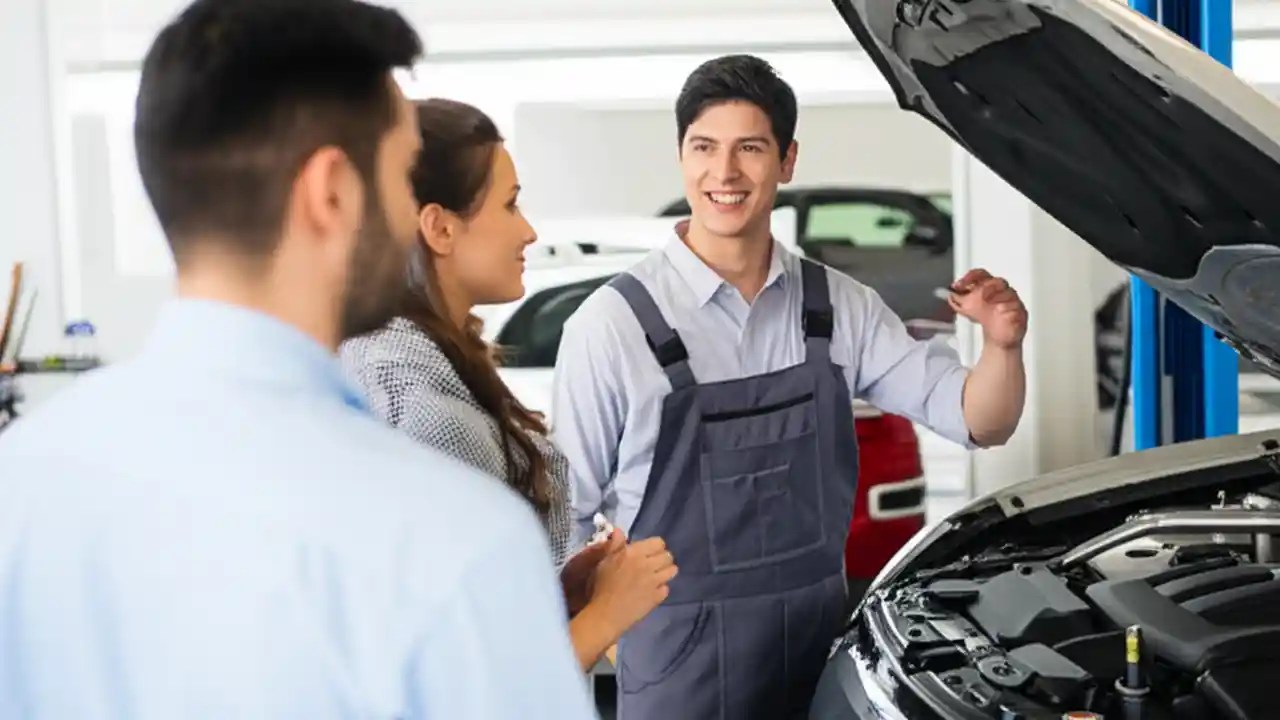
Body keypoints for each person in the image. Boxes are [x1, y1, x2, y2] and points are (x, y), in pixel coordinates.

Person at [0, 2, 596, 719]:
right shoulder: (454, 540)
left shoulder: (24, 483)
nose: (415, 217)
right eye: (403, 174)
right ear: (333, 192)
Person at [551, 54, 1028, 719]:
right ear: (682, 158)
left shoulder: (836, 309)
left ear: (787, 159)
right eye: (704, 148)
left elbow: (978, 419)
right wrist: (601, 631)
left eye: (749, 148)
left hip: (817, 652)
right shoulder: (612, 326)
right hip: (676, 664)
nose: (725, 173)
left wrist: (1003, 345)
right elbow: (563, 514)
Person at [340, 98, 677, 672]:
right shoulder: (428, 418)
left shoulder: (389, 358)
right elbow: (477, 685)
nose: (528, 230)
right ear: (440, 227)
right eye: (511, 203)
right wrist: (607, 615)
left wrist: (560, 590)